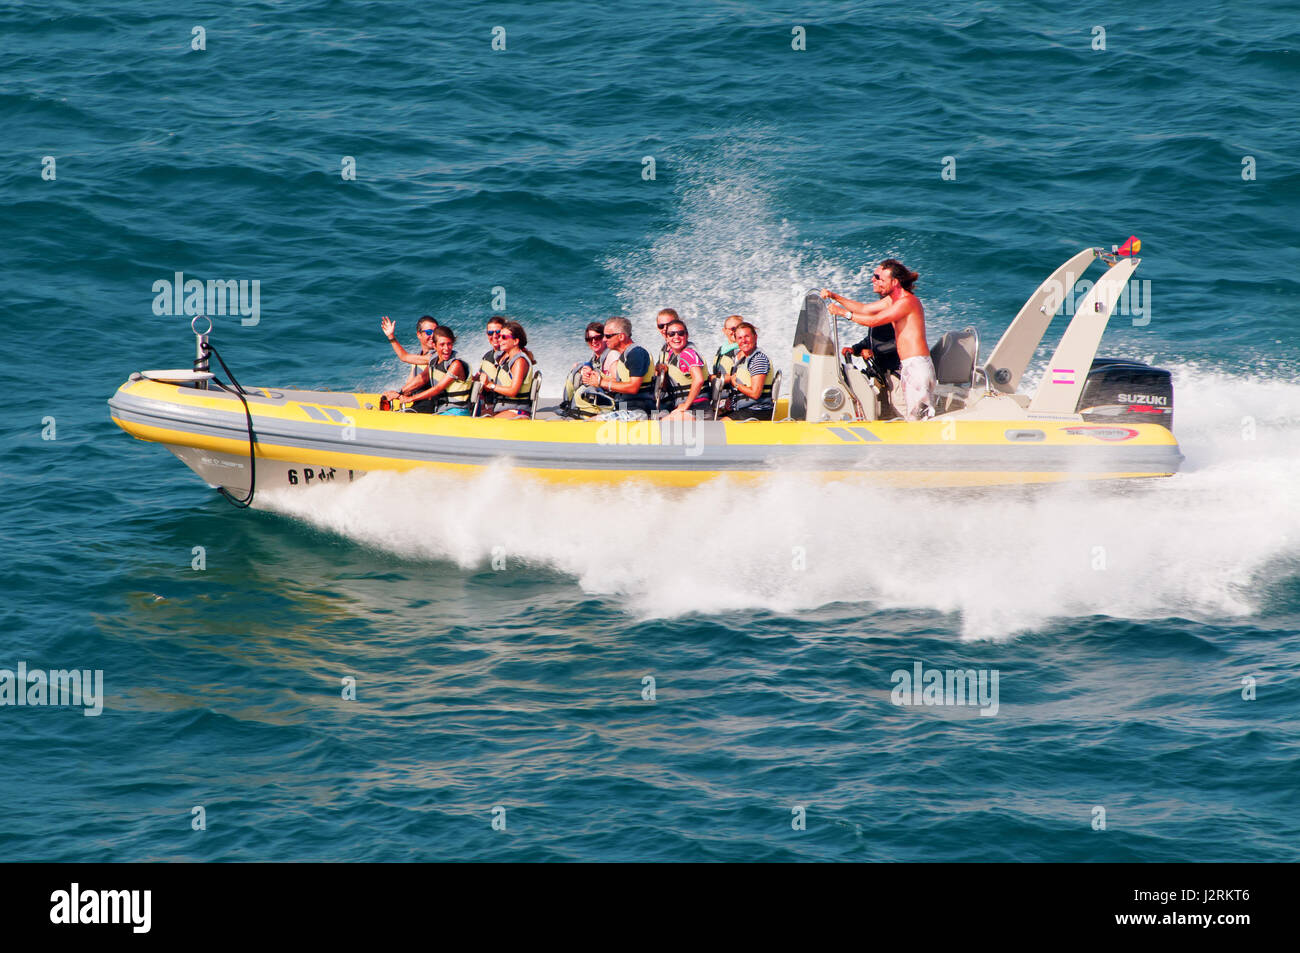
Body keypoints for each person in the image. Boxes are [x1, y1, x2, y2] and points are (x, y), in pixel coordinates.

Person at [821, 259, 934, 420]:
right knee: (912, 418)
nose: (875, 281)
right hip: (909, 366)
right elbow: (864, 309)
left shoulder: (906, 302)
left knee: (918, 420)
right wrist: (834, 296)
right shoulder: (891, 300)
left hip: (917, 366)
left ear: (894, 282)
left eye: (880, 278)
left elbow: (874, 320)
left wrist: (842, 313)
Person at [381, 326, 473, 415]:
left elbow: (437, 389)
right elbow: (404, 357)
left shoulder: (456, 365)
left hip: (456, 412)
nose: (446, 348)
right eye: (442, 344)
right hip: (441, 411)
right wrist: (391, 336)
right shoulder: (433, 359)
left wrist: (411, 399)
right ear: (434, 345)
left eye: (449, 344)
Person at [579, 316, 655, 418]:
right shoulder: (624, 355)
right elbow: (621, 383)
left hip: (639, 410)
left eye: (608, 336)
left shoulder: (636, 353)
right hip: (626, 406)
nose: (604, 340)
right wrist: (597, 378)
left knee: (593, 422)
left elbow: (633, 387)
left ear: (621, 337)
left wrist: (601, 382)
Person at [481, 321, 537, 419]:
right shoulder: (506, 359)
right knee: (477, 417)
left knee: (485, 425)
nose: (499, 340)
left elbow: (513, 391)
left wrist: (490, 385)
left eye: (504, 337)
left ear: (515, 341)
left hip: (516, 412)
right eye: (499, 336)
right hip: (503, 409)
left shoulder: (520, 361)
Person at [719, 322, 775, 420]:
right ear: (736, 340)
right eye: (740, 338)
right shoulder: (744, 359)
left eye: (747, 336)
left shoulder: (758, 359)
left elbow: (755, 393)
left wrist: (736, 385)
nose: (743, 341)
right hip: (745, 409)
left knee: (719, 426)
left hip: (758, 410)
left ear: (755, 337)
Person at [561, 322, 618, 417]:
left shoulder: (612, 356)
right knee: (576, 372)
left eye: (597, 338)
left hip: (612, 402)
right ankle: (568, 406)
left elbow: (620, 383)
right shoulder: (595, 358)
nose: (593, 341)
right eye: (589, 339)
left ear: (604, 338)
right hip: (600, 398)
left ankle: (577, 412)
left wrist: (597, 380)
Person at [658, 318, 709, 419]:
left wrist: (686, 405)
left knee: (663, 425)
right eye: (672, 334)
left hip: (697, 409)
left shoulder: (687, 354)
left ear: (687, 335)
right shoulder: (671, 356)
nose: (676, 336)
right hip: (684, 408)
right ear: (666, 338)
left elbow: (699, 380)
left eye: (680, 333)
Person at [711, 314, 744, 381]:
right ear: (724, 330)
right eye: (733, 329)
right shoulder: (722, 349)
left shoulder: (744, 351)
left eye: (739, 328)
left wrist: (711, 378)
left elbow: (734, 377)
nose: (735, 332)